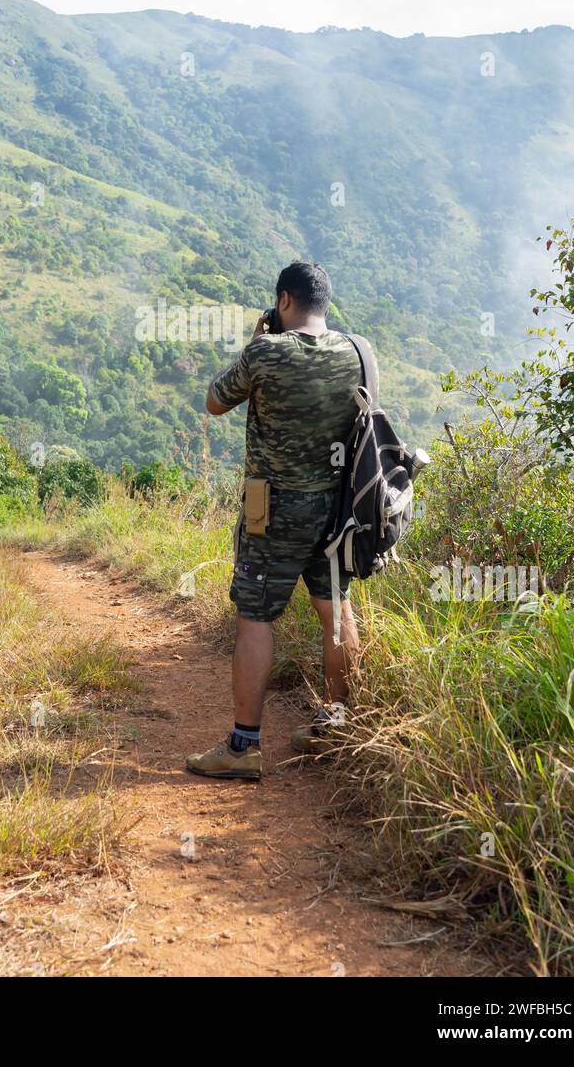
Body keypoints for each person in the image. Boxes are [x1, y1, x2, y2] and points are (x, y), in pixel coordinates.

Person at [186, 261, 377, 781]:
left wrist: (255, 341)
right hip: (339, 510)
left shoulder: (265, 352)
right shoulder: (357, 352)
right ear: (324, 304)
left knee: (256, 617)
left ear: (284, 301)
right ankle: (337, 727)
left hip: (270, 510)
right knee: (336, 610)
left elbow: (214, 401)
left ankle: (244, 747)